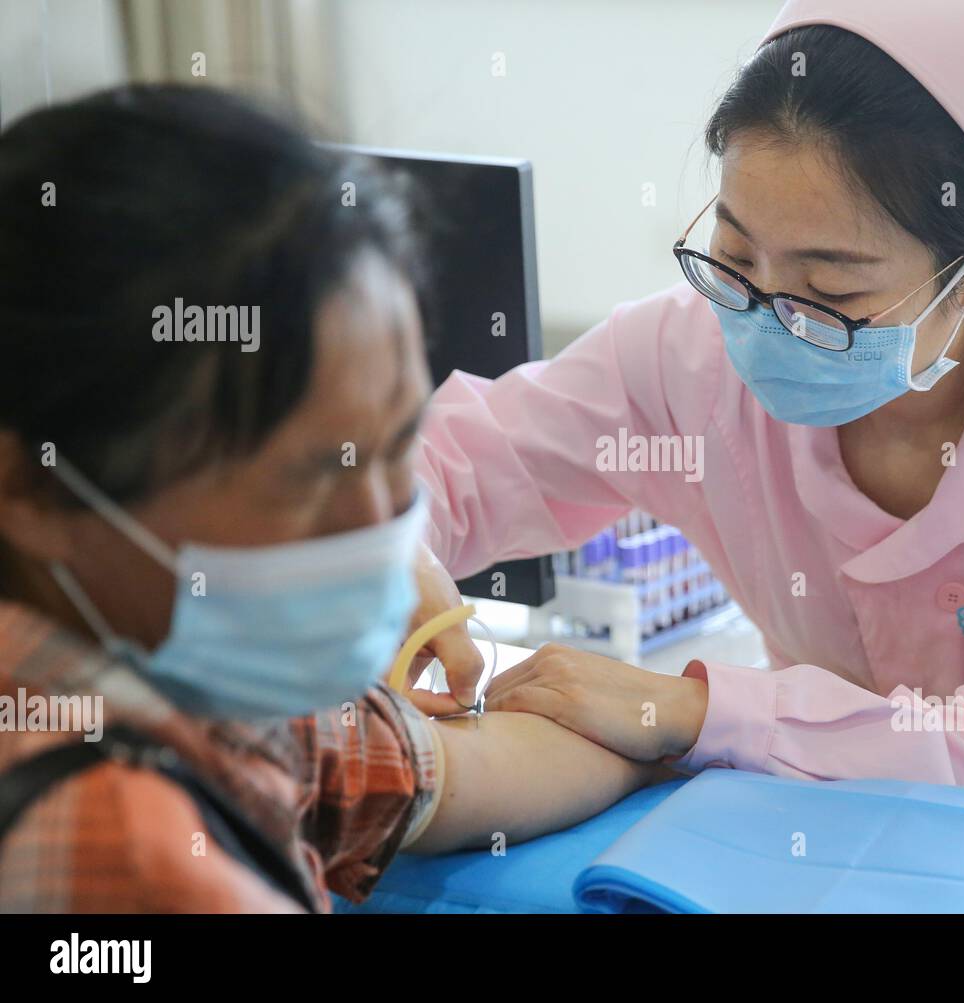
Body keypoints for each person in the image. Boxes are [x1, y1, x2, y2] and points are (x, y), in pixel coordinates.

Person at [411, 0, 964, 816]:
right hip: (830, 820)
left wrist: (696, 710)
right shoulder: (685, 353)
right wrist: (385, 547)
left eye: (827, 291)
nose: (762, 318)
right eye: (735, 256)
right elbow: (462, 464)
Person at [0, 84, 666, 913]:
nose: (385, 531)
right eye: (316, 478)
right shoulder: (121, 851)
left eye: (396, 449)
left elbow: (445, 772)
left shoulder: (186, 669)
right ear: (34, 486)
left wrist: (673, 729)